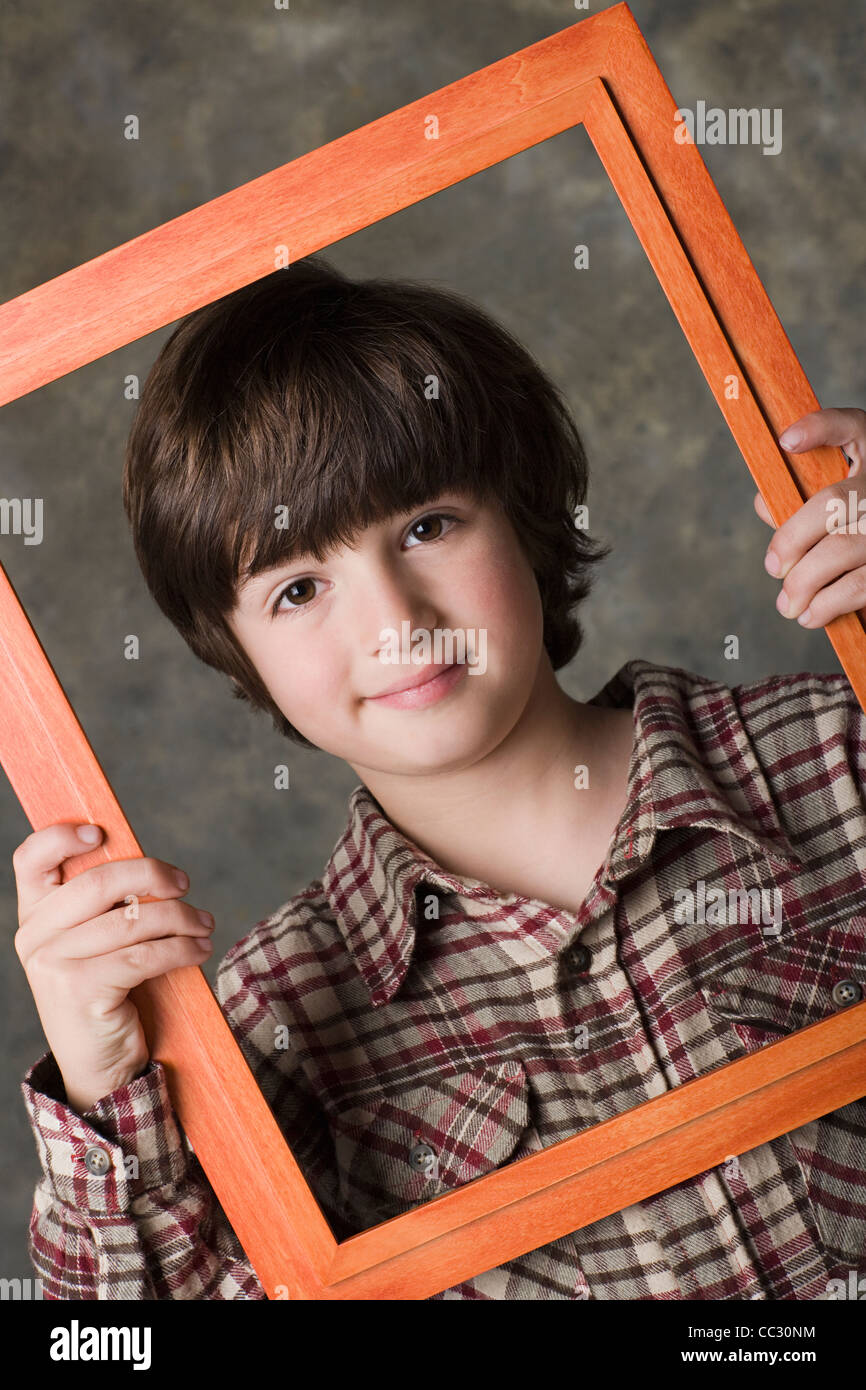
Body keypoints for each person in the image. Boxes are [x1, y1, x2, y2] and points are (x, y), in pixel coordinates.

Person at [13, 257, 866, 1299]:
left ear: (523, 512)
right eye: (297, 590)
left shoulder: (833, 759)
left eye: (426, 526)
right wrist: (106, 1097)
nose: (395, 622)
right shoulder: (269, 1028)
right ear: (238, 653)